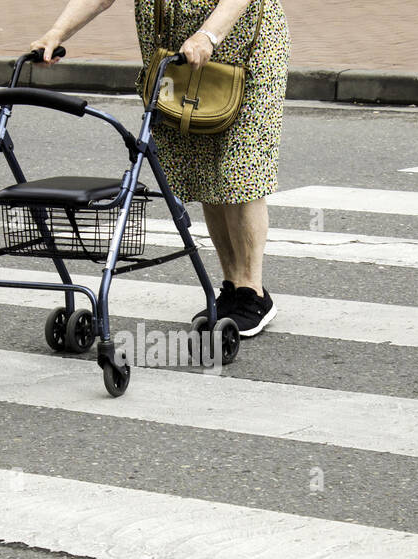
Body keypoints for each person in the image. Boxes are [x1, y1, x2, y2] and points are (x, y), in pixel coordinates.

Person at [31, 0, 290, 337]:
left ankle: (252, 292)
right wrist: (56, 32)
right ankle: (232, 286)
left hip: (245, 49)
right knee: (206, 176)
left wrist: (209, 35)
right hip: (182, 60)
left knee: (237, 174)